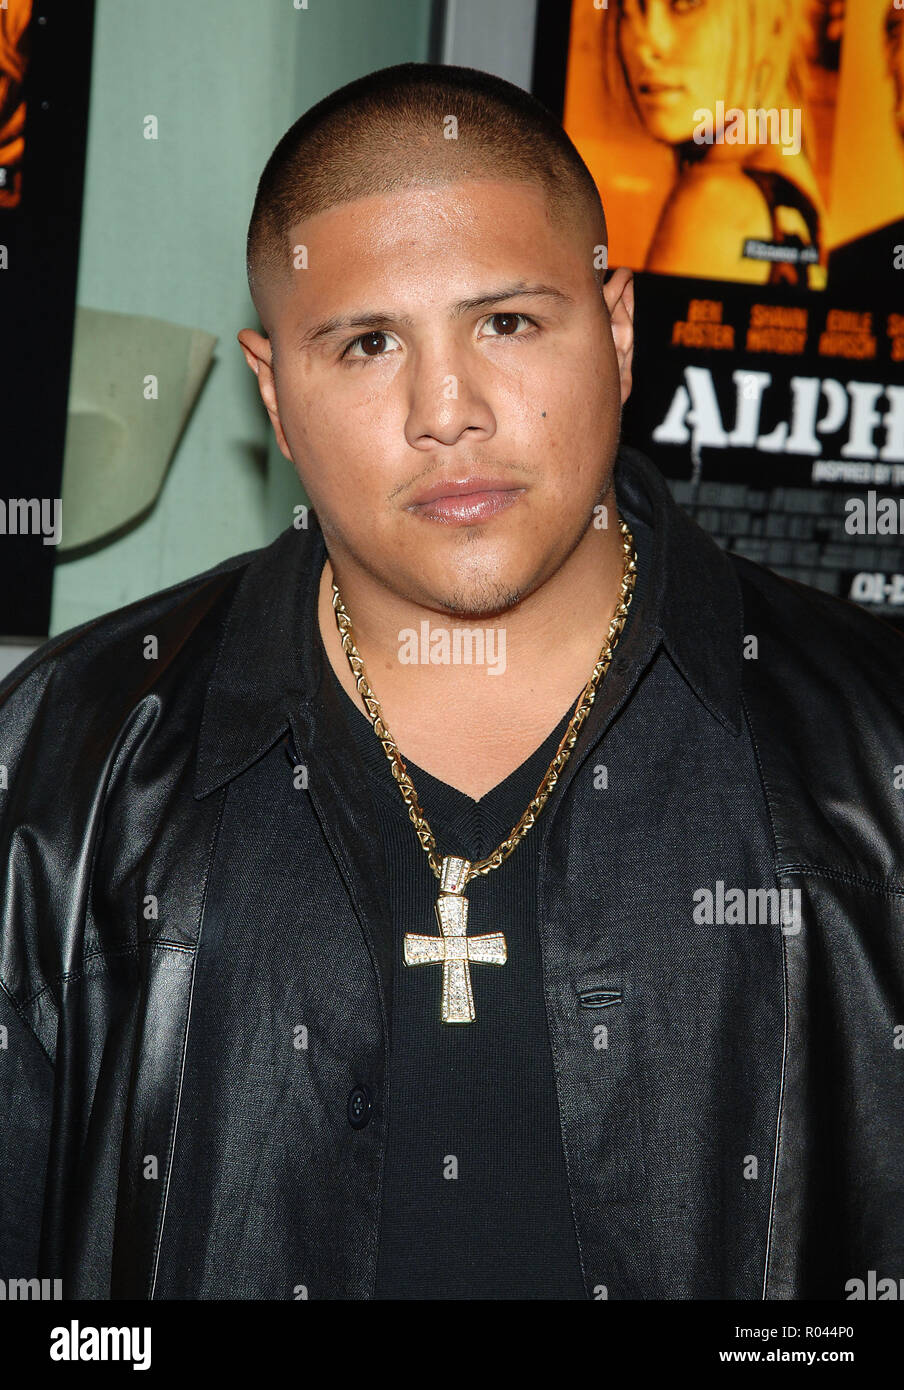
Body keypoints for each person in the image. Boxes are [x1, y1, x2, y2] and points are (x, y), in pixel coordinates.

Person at [1, 60, 902, 1302]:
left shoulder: (872, 743)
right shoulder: (68, 751)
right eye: (368, 343)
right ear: (273, 388)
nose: (447, 412)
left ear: (618, 327)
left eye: (508, 323)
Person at [609, 0, 825, 287]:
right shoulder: (786, 169)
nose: (646, 43)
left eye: (686, 4)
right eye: (628, 11)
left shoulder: (715, 200)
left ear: (770, 23)